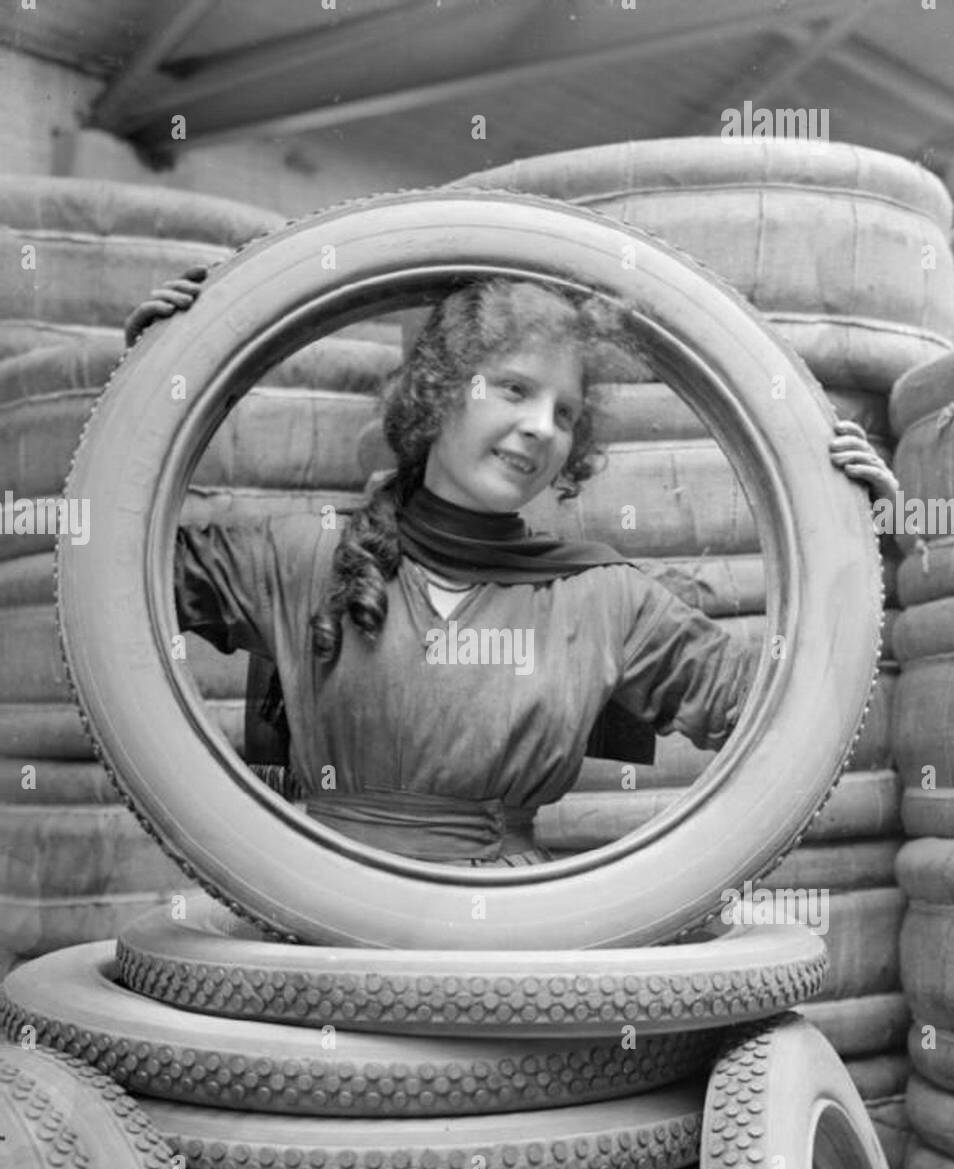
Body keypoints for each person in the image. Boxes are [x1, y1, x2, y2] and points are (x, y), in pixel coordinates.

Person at [127, 269, 898, 867]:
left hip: (512, 935)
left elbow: (795, 707)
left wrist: (855, 548)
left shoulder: (605, 596)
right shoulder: (302, 556)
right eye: (515, 389)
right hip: (314, 905)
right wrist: (152, 383)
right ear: (436, 395)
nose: (541, 429)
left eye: (565, 414)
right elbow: (117, 576)